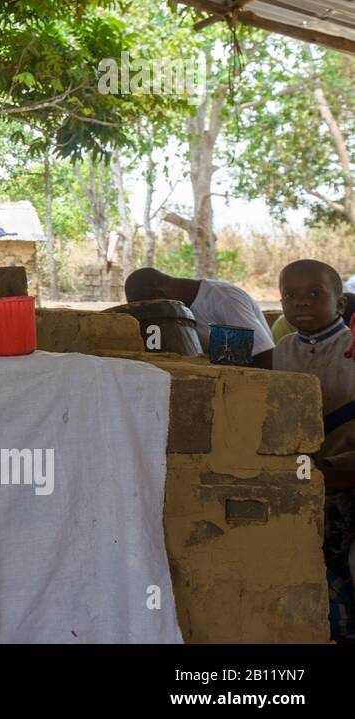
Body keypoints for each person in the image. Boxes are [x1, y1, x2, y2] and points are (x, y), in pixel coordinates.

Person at [270, 259, 355, 641]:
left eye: (314, 294)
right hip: (303, 475)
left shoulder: (352, 347)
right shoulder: (284, 350)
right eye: (290, 294)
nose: (300, 302)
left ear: (340, 303)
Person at [124, 267, 274, 367]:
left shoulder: (222, 299)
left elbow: (264, 356)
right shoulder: (180, 313)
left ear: (159, 296)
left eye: (150, 308)